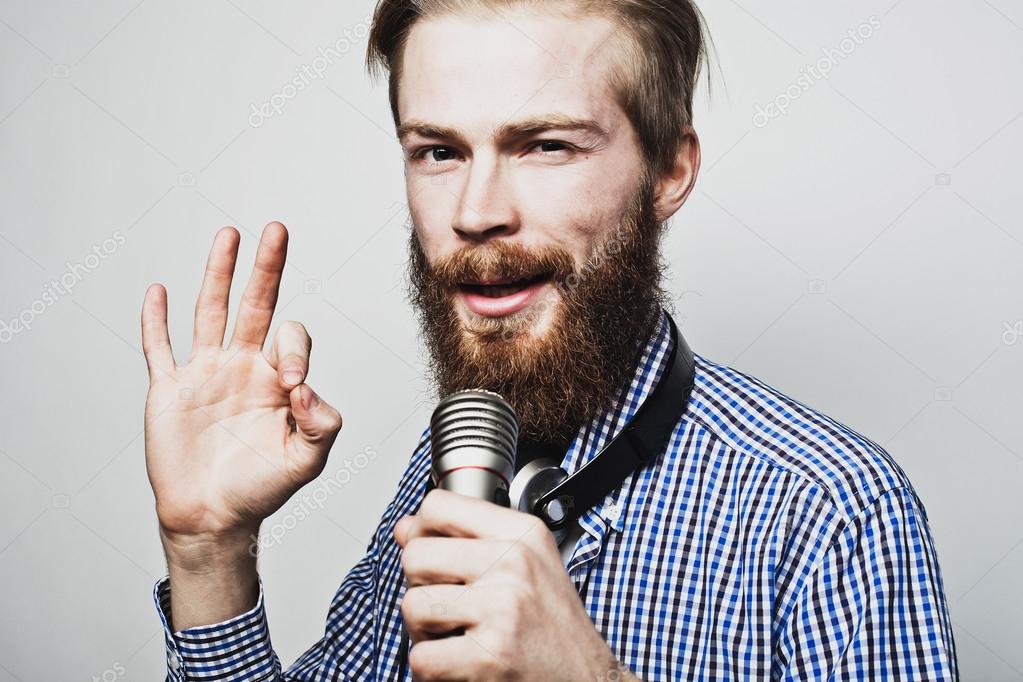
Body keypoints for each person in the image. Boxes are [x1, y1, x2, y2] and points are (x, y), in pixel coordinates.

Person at [140, 0, 958, 679]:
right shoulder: (458, 470)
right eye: (438, 151)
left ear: (668, 170)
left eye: (545, 145)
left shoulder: (829, 511)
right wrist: (210, 553)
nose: (475, 210)